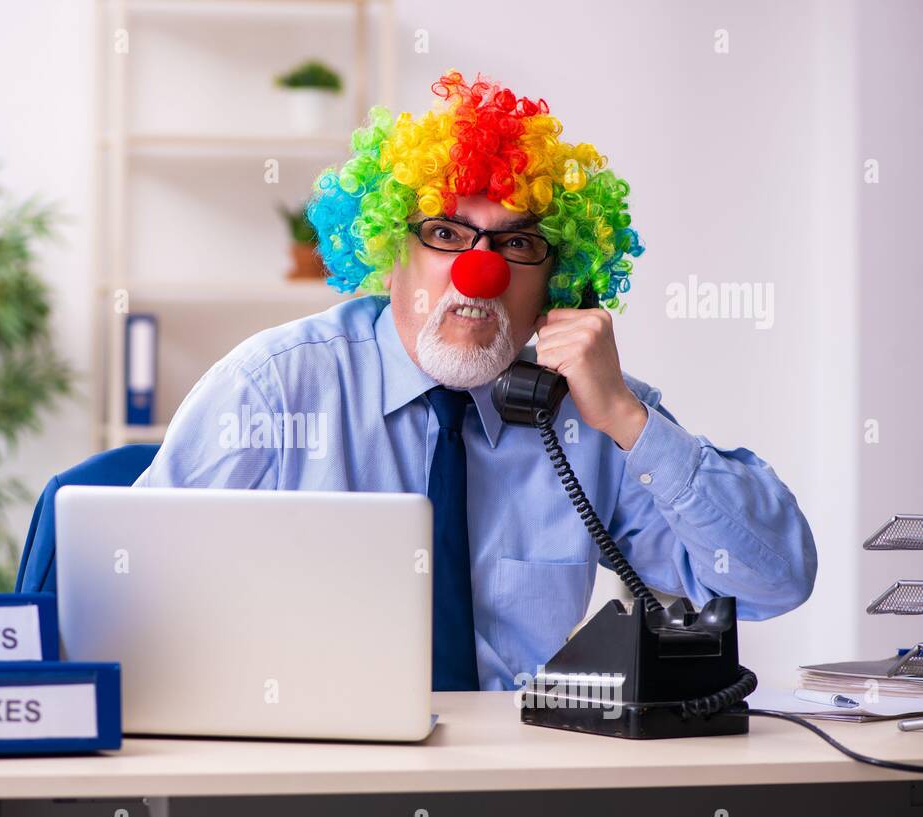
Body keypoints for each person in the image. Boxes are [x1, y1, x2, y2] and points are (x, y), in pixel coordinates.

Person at [133, 69, 817, 692]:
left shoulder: (588, 410)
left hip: (514, 783)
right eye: (445, 234)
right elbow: (132, 581)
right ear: (387, 252)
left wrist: (629, 419)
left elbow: (774, 580)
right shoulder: (275, 388)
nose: (478, 273)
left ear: (557, 281)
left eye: (517, 244)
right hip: (307, 768)